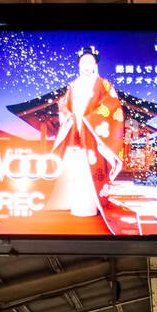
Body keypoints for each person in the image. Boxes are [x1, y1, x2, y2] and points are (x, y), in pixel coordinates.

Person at [50, 46, 135, 235]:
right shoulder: (72, 85)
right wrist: (69, 115)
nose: (86, 65)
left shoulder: (103, 84)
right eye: (83, 62)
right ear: (79, 64)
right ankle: (73, 203)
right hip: (75, 133)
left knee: (91, 173)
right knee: (75, 171)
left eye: (90, 62)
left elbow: (112, 104)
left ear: (95, 64)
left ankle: (90, 207)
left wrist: (91, 120)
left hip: (94, 134)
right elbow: (64, 104)